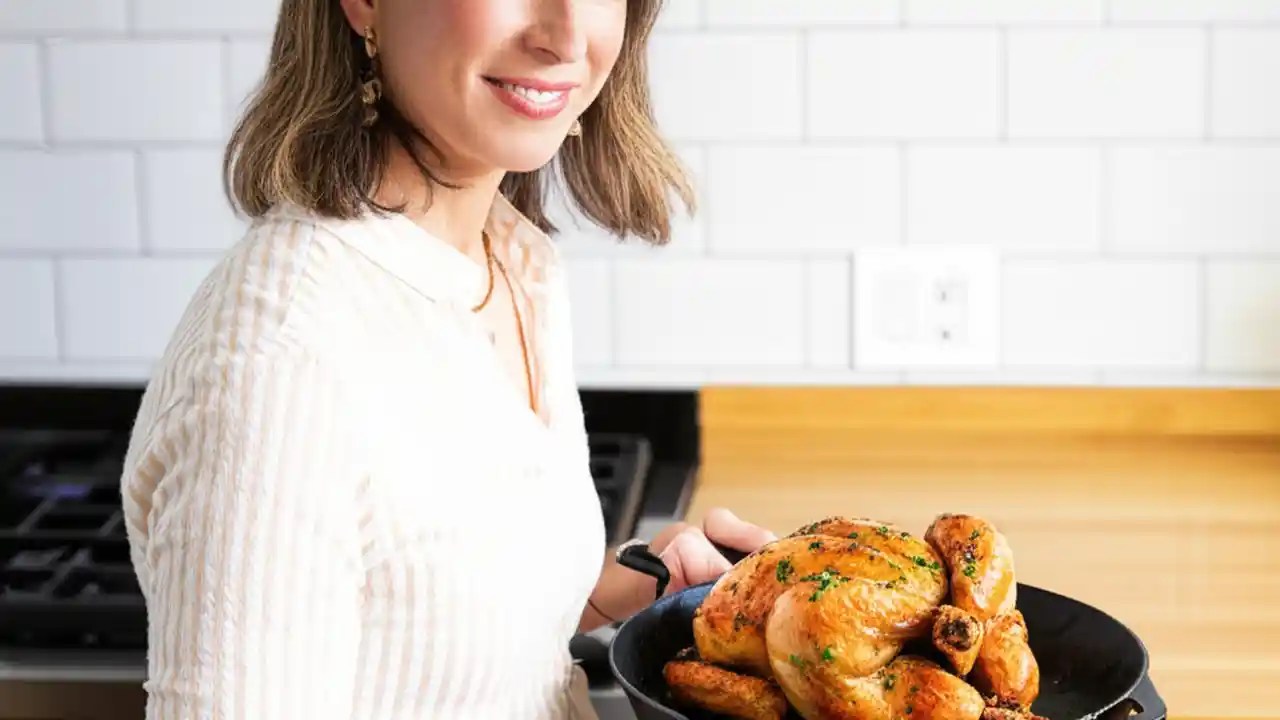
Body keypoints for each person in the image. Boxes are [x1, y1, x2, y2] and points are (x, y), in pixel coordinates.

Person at [118, 0, 776, 718]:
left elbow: (442, 632)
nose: (564, 36)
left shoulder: (509, 261)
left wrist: (645, 578)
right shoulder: (282, 358)